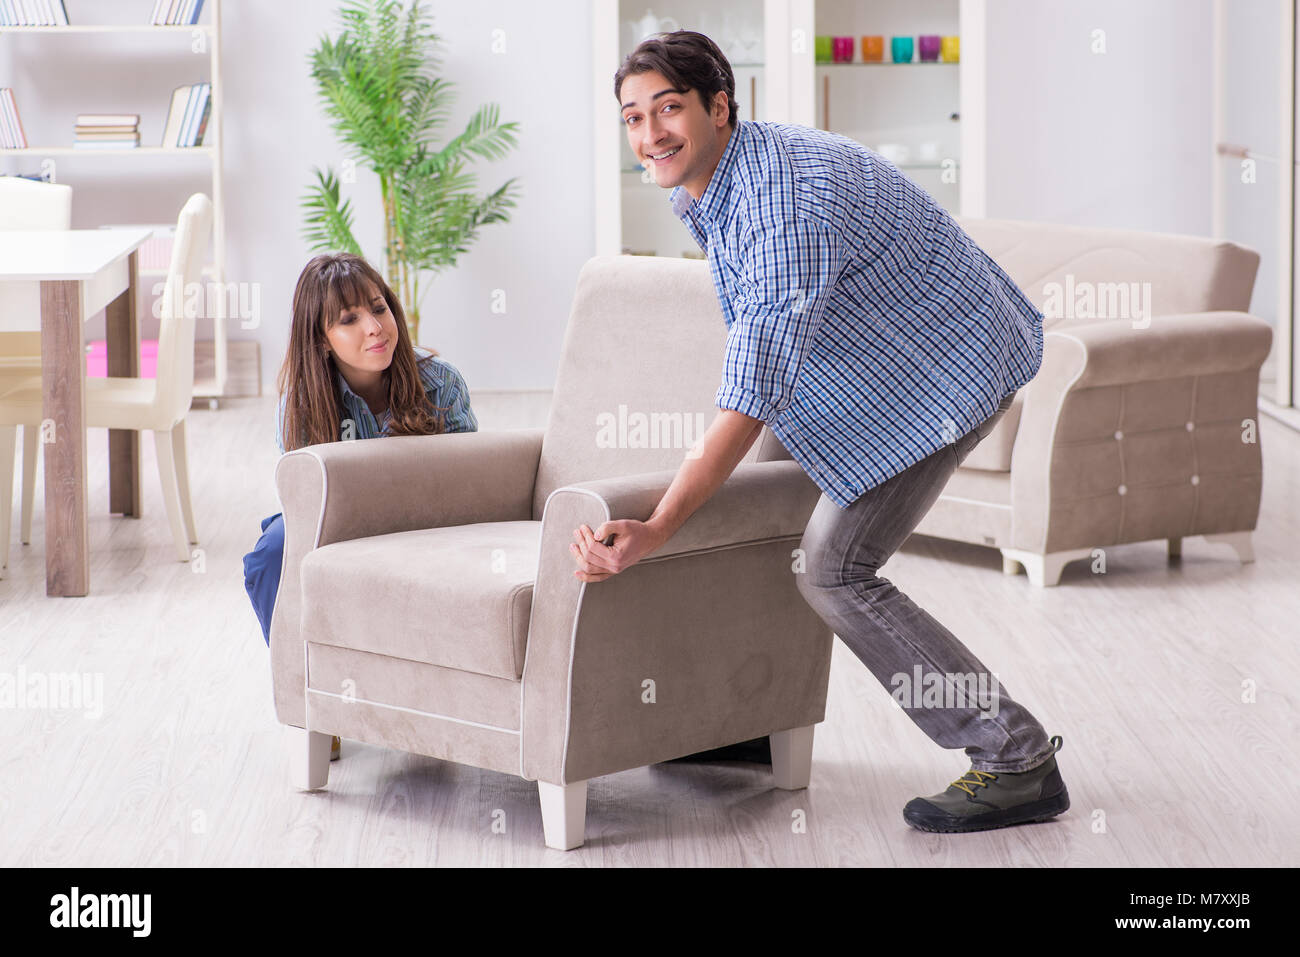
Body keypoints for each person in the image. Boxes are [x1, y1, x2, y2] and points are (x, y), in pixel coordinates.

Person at [569, 31, 1069, 833]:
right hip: (875, 362)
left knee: (834, 567)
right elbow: (767, 340)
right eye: (633, 117)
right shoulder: (714, 177)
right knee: (761, 522)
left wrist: (660, 524)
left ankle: (1016, 756)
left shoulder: (784, 204)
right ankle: (738, 723)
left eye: (669, 109)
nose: (650, 134)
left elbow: (753, 389)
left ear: (720, 107)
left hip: (948, 370)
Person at [242, 253, 478, 758]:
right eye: (348, 320)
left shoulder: (442, 385)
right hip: (339, 529)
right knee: (271, 553)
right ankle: (316, 702)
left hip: (431, 529)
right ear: (321, 343)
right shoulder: (302, 406)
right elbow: (307, 506)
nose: (375, 328)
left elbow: (478, 484)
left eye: (379, 308)